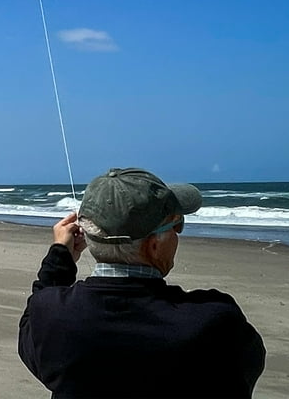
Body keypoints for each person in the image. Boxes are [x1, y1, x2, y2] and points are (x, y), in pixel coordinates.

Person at [18, 167, 265, 399]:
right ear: (154, 245)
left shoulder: (51, 316)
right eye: (176, 224)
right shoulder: (214, 323)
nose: (179, 232)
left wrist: (60, 254)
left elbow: (33, 323)